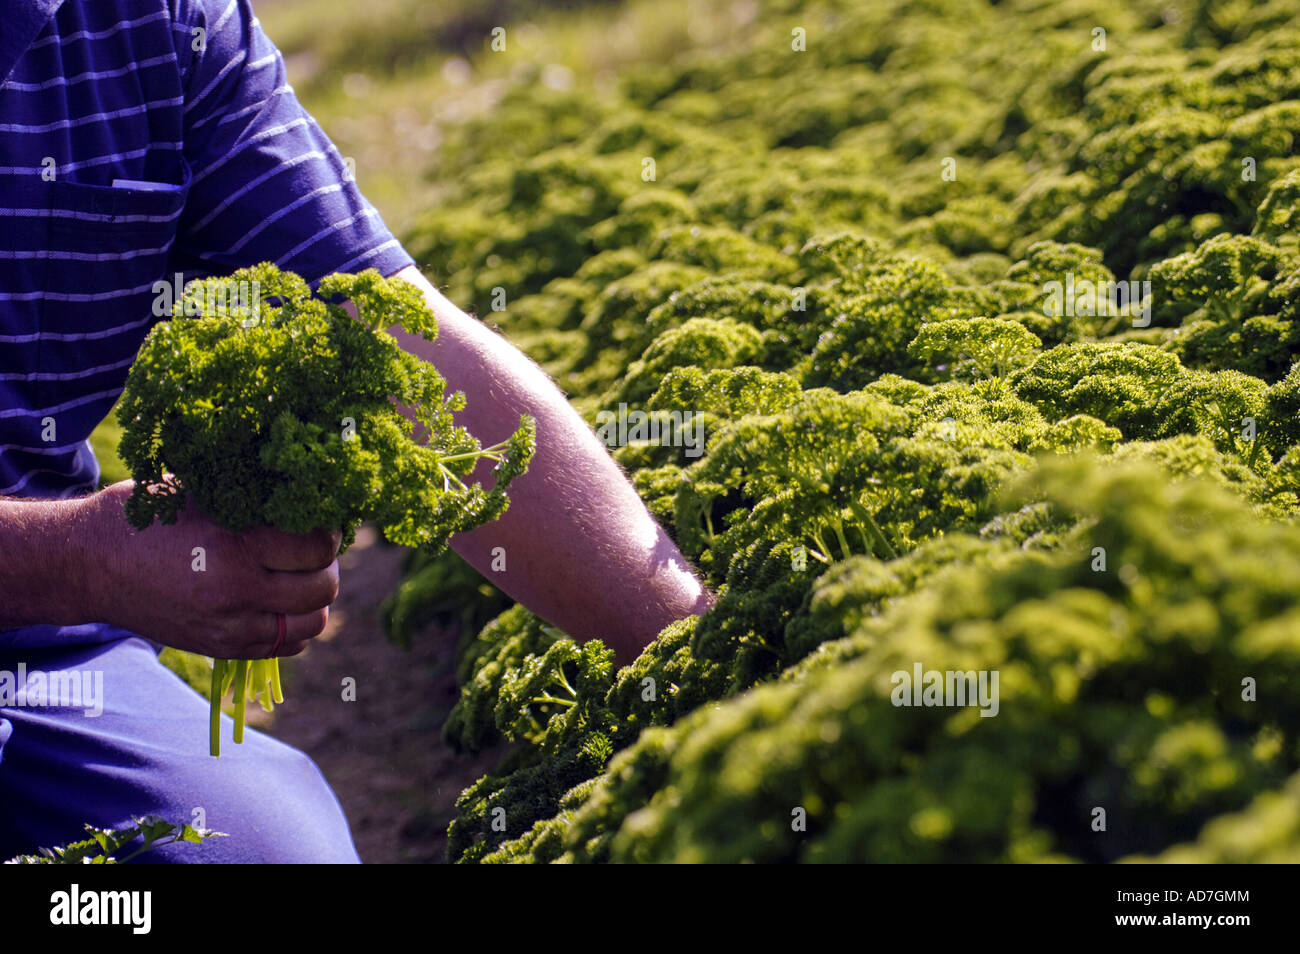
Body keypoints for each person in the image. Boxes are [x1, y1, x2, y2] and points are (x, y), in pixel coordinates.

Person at [0, 0, 713, 863]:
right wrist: (82, 559)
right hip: (47, 595)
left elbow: (404, 343)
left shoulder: (159, 20)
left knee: (261, 852)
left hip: (43, 665)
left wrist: (704, 661)